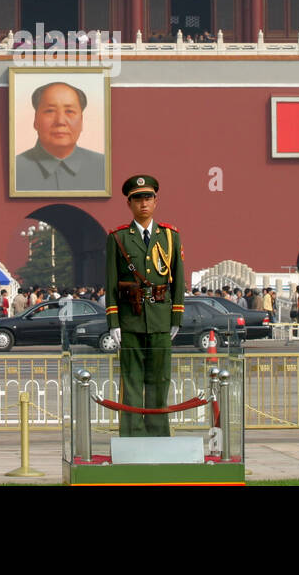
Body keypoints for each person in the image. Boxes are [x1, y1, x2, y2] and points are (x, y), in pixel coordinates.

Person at [105, 174, 185, 437]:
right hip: (131, 319)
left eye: (148, 198)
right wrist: (114, 322)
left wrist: (176, 318)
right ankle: (131, 433)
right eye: (137, 199)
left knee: (160, 379)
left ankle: (158, 431)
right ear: (129, 203)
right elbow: (112, 283)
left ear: (156, 201)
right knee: (132, 380)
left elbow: (178, 279)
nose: (143, 203)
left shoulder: (170, 236)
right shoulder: (118, 238)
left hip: (161, 318)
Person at [13, 81, 106, 192]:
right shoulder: (14, 169)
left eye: (69, 111)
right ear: (35, 120)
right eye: (50, 111)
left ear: (81, 121)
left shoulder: (104, 167)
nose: (60, 121)